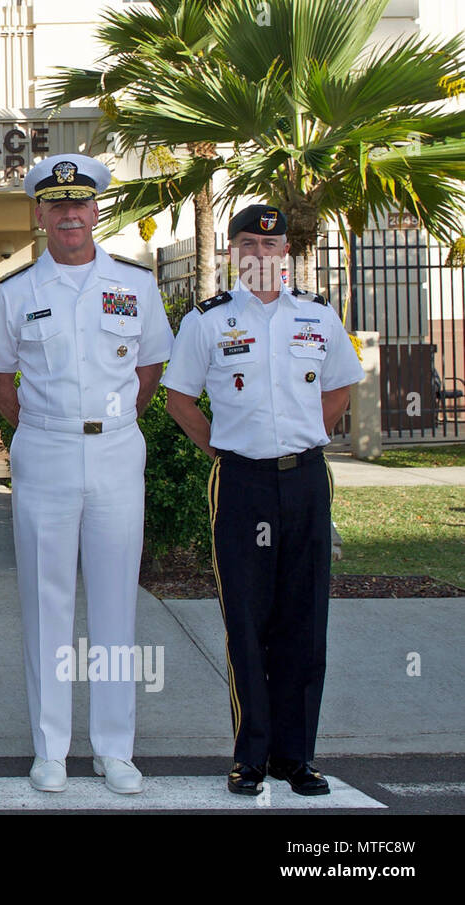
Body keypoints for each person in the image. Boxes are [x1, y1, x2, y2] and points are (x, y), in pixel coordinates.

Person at [0, 153, 173, 795]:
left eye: (80, 203)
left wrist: (111, 419)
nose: (70, 214)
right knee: (46, 601)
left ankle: (115, 749)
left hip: (118, 451)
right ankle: (51, 749)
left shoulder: (136, 285)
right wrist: (45, 423)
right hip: (46, 452)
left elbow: (149, 371)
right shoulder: (14, 294)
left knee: (117, 601)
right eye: (56, 204)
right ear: (40, 214)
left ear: (96, 211)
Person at [162, 204, 363, 796]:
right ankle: (251, 755)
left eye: (272, 246)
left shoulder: (319, 318)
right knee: (245, 620)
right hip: (242, 482)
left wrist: (298, 445)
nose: (261, 255)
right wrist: (226, 453)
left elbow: (340, 390)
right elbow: (179, 400)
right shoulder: (208, 322)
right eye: (248, 244)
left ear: (287, 254)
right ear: (233, 252)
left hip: (304, 481)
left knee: (305, 618)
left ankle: (295, 757)